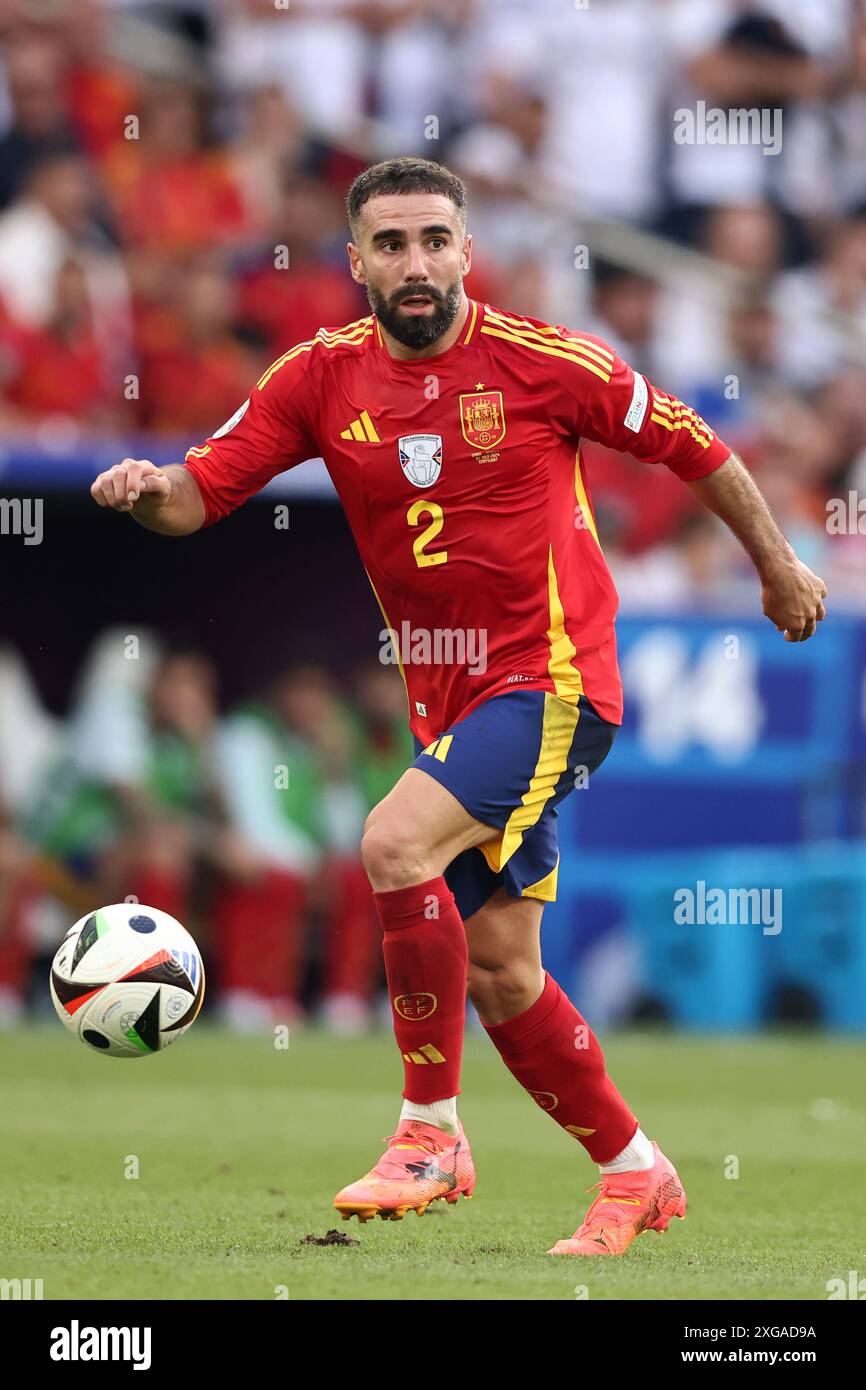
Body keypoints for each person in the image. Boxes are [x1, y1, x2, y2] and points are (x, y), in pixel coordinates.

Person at [90, 156, 827, 1257]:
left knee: (393, 840)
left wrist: (774, 568)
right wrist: (150, 492)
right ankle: (634, 1171)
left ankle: (429, 1130)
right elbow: (202, 493)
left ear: (465, 250)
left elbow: (694, 444)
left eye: (434, 239)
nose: (415, 262)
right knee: (496, 966)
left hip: (557, 681)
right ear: (355, 262)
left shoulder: (541, 362)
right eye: (389, 244)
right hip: (451, 702)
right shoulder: (317, 378)